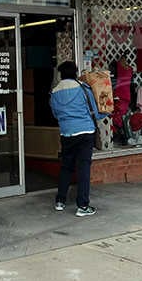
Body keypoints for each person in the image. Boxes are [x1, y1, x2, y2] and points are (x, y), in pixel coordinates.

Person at [49, 60, 100, 217]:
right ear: (75, 73)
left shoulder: (54, 92)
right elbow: (94, 110)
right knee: (83, 168)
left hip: (66, 133)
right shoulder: (83, 89)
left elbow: (55, 115)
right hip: (85, 132)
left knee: (66, 167)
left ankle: (60, 201)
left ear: (61, 74)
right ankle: (83, 206)